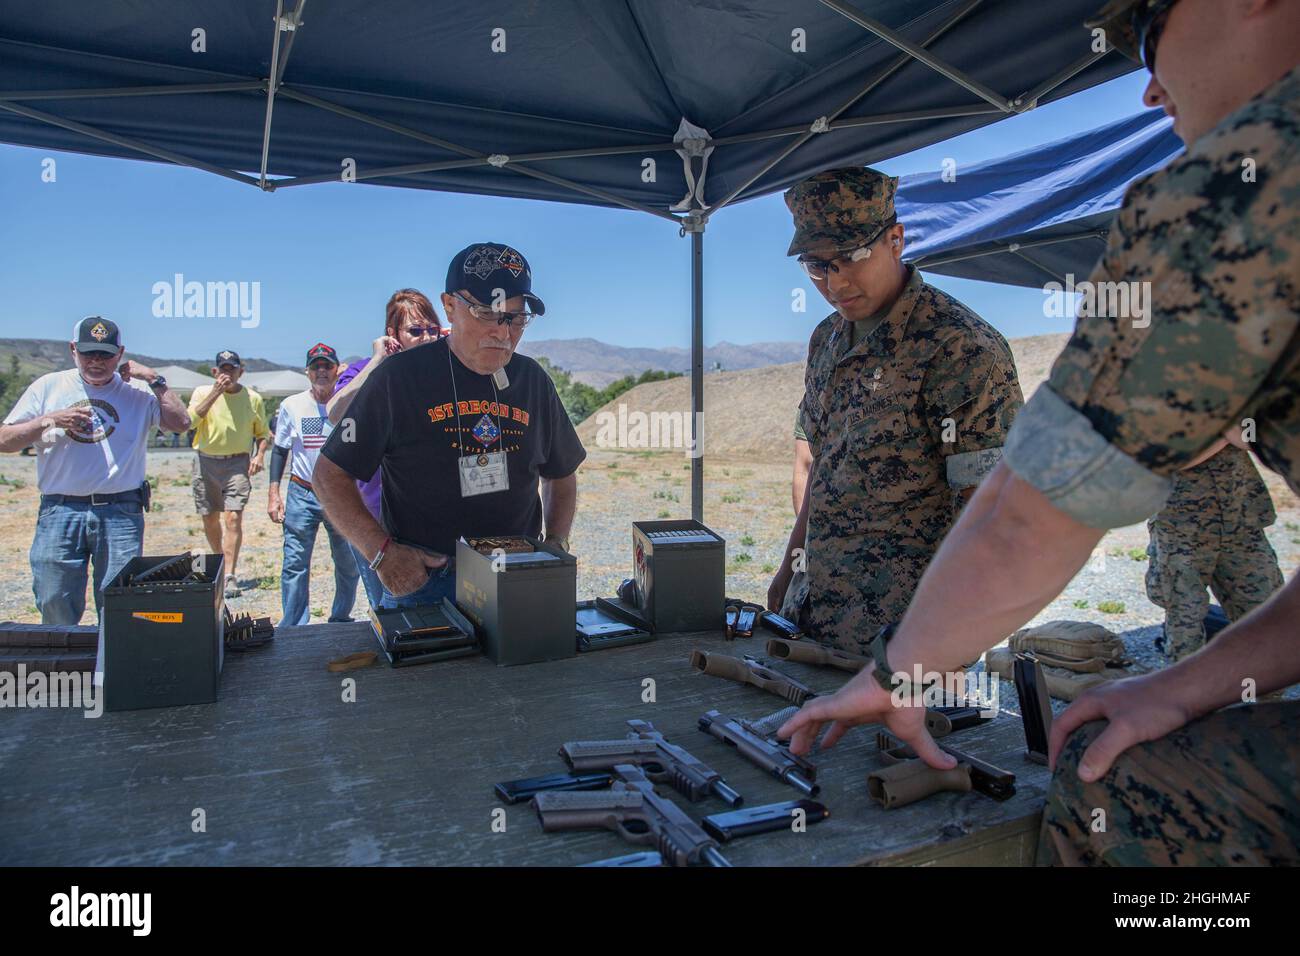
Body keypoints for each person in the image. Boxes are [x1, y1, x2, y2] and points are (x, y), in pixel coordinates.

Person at [778, 0, 1300, 866]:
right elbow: (814, 460)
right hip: (840, 607)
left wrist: (910, 662)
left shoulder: (1240, 180)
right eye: (815, 263)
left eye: (1149, 31)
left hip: (915, 612)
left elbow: (1024, 510)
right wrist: (1183, 683)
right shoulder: (826, 343)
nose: (1147, 90)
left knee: (1122, 793)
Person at [766, 166, 1023, 653]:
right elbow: (821, 468)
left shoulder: (960, 347)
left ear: (896, 240)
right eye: (816, 265)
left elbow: (989, 512)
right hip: (813, 614)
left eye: (851, 256)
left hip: (903, 636)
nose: (834, 280)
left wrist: (934, 647)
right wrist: (788, 572)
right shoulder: (827, 339)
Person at [314, 242, 585, 608]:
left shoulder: (532, 381)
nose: (503, 334)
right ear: (449, 306)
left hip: (518, 574)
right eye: (486, 313)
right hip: (427, 582)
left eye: (515, 318)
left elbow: (561, 472)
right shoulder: (398, 379)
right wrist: (382, 554)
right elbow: (329, 475)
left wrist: (555, 544)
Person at [0, 317, 190, 623]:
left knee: (120, 603)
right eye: (89, 354)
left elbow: (181, 423)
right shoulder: (49, 385)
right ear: (73, 350)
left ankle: (111, 667)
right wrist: (48, 421)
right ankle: (65, 664)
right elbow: (4, 440)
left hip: (120, 511)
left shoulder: (139, 390)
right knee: (54, 598)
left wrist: (156, 379)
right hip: (60, 510)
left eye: (105, 354)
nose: (96, 362)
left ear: (120, 353)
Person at [326, 289, 444, 607]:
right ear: (393, 334)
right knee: (388, 605)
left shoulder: (441, 372)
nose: (426, 338)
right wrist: (378, 361)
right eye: (415, 331)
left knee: (436, 607)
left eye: (432, 329)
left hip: (428, 514)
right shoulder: (366, 369)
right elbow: (336, 412)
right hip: (375, 515)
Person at [1146, 439, 1283, 661]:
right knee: (1185, 618)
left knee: (1265, 609)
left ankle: (1267, 692)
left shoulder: (1233, 405)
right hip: (1182, 527)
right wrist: (1225, 435)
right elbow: (1164, 458)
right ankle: (1186, 691)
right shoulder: (1159, 408)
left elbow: (1252, 437)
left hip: (1240, 518)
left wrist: (1222, 435)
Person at [267, 344, 360, 626]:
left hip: (340, 493)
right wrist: (274, 493)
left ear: (337, 369)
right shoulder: (292, 405)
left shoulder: (349, 403)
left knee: (348, 562)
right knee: (295, 562)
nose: (322, 371)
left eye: (327, 366)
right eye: (316, 366)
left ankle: (341, 617)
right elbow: (280, 449)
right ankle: (294, 625)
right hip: (302, 492)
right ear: (307, 371)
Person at [187, 350, 269, 598]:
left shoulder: (252, 398)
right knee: (210, 517)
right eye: (222, 369)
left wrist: (259, 455)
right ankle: (218, 563)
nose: (227, 374)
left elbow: (262, 434)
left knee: (233, 517)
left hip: (237, 464)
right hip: (205, 462)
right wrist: (215, 392)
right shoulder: (202, 392)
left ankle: (230, 574)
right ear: (215, 372)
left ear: (240, 372)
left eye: (232, 369)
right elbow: (190, 422)